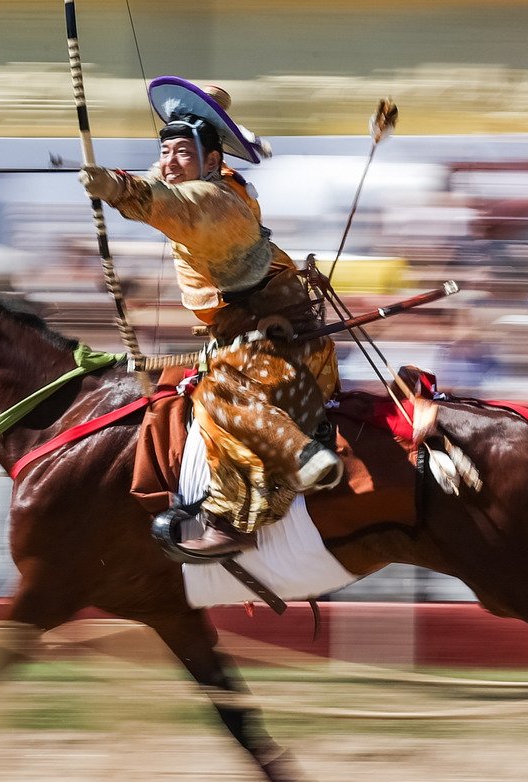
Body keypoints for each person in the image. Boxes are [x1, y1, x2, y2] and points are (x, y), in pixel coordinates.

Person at [80, 76, 343, 560]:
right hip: (254, 340)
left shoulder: (217, 204)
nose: (170, 163)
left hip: (287, 349)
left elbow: (168, 200)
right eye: (166, 152)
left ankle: (258, 497)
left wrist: (116, 187)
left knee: (217, 393)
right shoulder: (207, 184)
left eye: (183, 152)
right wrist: (121, 180)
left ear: (214, 161)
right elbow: (162, 184)